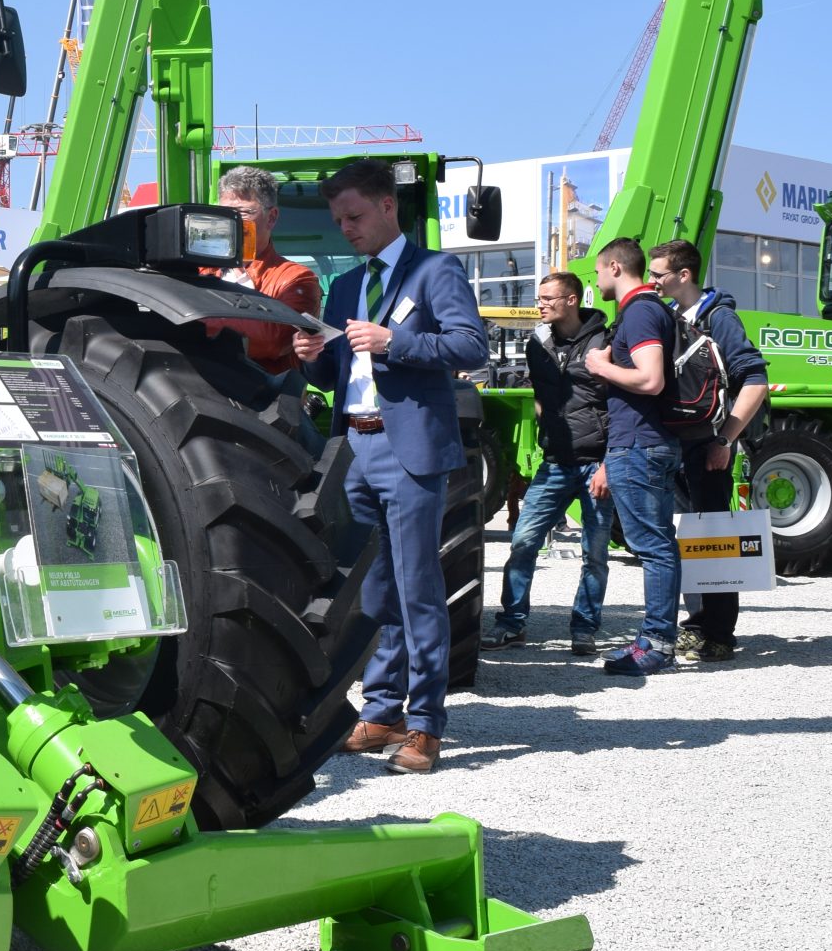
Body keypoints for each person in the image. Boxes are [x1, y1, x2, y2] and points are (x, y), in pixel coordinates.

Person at [291, 159, 488, 774]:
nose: (345, 228)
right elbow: (338, 373)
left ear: (386, 207)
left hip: (410, 452)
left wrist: (395, 343)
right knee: (373, 590)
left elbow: (471, 346)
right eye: (337, 220)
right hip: (356, 447)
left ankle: (426, 724)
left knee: (418, 586)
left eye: (353, 216)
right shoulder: (347, 285)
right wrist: (309, 357)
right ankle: (381, 712)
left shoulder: (436, 270)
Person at [648, 238, 771, 662]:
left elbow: (755, 381)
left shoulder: (720, 318)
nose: (652, 281)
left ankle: (718, 632)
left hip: (709, 447)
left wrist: (725, 440)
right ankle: (696, 626)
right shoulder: (670, 317)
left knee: (715, 541)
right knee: (689, 540)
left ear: (683, 275)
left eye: (658, 274)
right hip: (678, 445)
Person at [487, 273, 614, 654]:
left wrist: (609, 465)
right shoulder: (537, 343)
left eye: (547, 298)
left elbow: (621, 407)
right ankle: (511, 625)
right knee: (523, 541)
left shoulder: (604, 341)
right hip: (556, 461)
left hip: (597, 463)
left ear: (571, 300)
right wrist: (548, 434)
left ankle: (585, 628)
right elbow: (541, 396)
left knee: (595, 553)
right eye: (538, 297)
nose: (539, 304)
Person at [584, 237, 680, 678]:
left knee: (654, 547)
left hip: (639, 445)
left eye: (598, 271)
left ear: (616, 267)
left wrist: (600, 367)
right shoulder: (649, 309)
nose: (596, 279)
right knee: (657, 544)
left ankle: (657, 643)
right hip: (646, 443)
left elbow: (651, 379)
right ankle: (655, 638)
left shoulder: (640, 310)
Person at [205, 165, 321, 377]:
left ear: (272, 217)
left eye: (243, 212)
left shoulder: (297, 278)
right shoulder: (200, 270)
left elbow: (273, 340)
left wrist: (192, 324)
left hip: (264, 399)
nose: (233, 222)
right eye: (225, 213)